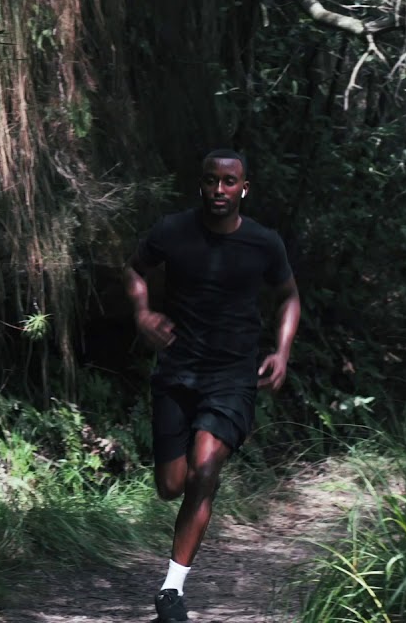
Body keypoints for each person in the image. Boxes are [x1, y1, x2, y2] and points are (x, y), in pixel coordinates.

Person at [123, 149, 300, 622]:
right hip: (177, 372)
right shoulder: (172, 231)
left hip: (232, 377)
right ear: (199, 184)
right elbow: (136, 269)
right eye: (210, 181)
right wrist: (142, 313)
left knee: (204, 468)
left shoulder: (264, 244)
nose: (219, 190)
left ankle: (171, 591)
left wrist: (281, 352)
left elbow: (289, 296)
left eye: (229, 182)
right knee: (170, 484)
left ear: (244, 187)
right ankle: (177, 565)